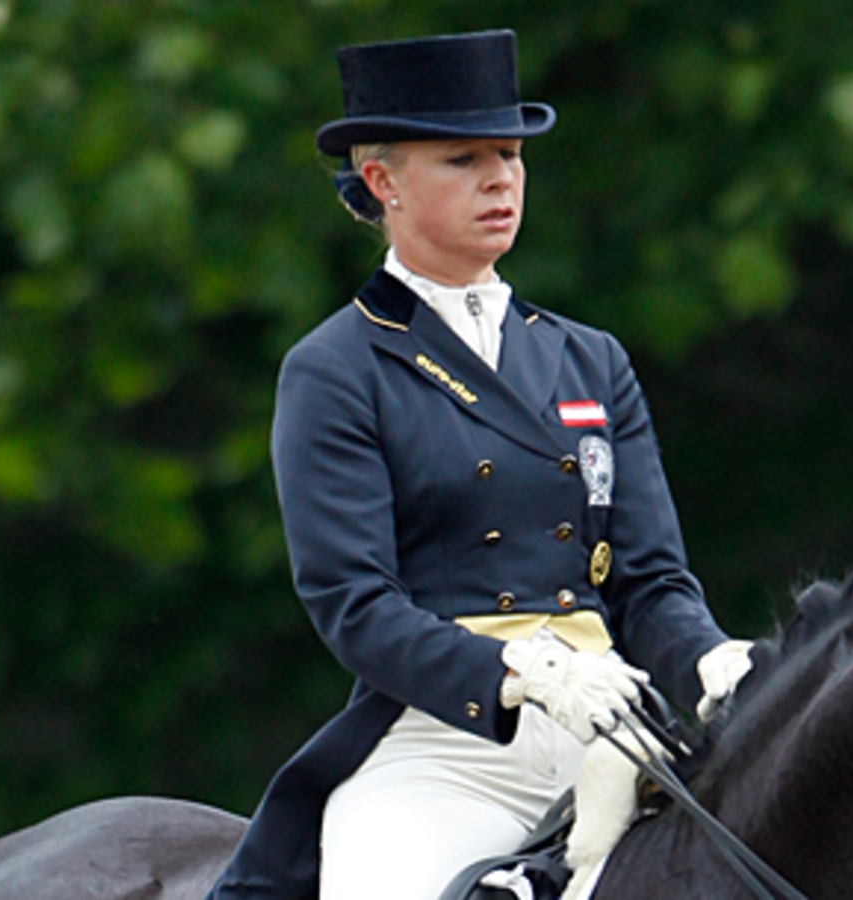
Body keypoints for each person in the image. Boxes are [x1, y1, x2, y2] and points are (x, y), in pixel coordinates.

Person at [206, 29, 753, 900]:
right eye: (463, 160)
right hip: (446, 755)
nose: (501, 178)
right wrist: (522, 673)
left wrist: (714, 661)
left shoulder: (590, 359)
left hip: (616, 736)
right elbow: (353, 603)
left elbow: (650, 582)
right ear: (383, 181)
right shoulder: (338, 368)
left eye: (509, 154)